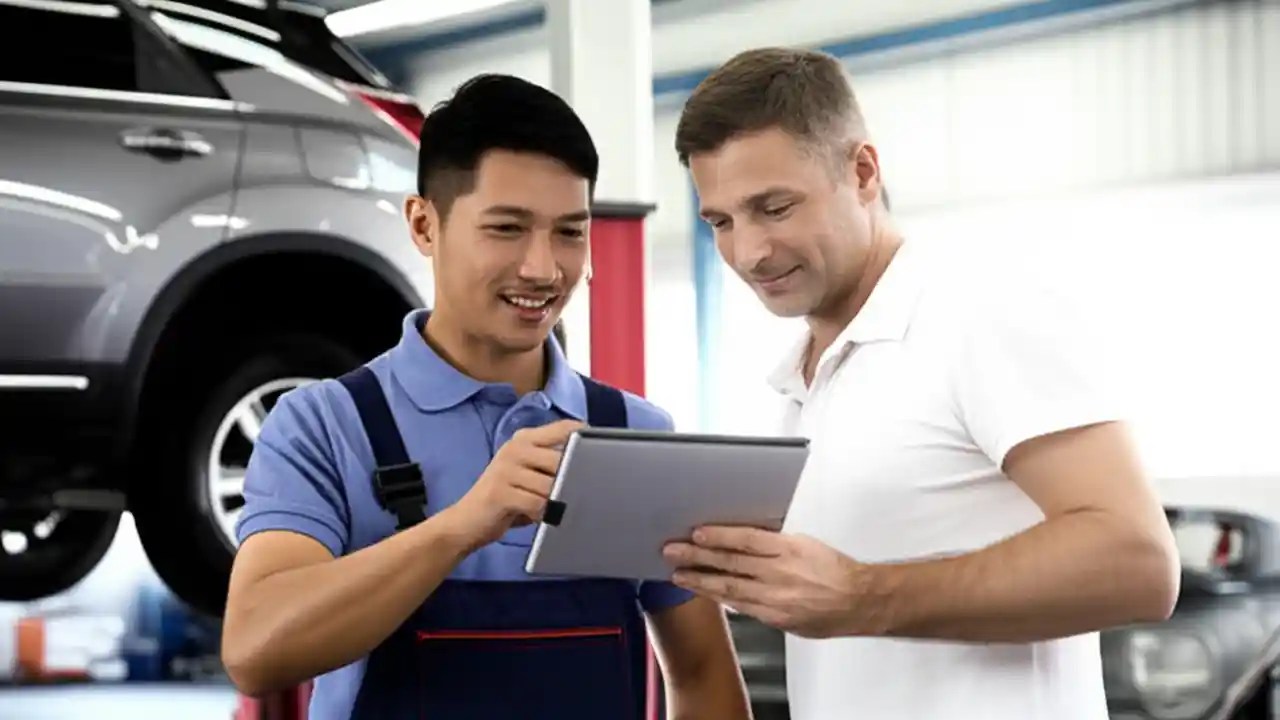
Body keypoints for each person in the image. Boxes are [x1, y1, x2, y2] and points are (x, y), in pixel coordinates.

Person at [663, 47, 1180, 719]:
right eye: (721, 222)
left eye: (775, 207)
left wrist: (863, 596)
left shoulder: (978, 311)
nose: (747, 252)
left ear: (863, 172)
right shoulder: (808, 375)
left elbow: (1138, 561)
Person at [221, 74, 753, 720]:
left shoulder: (632, 434)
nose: (542, 268)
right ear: (424, 224)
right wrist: (463, 525)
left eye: (569, 232)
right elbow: (254, 649)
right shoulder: (324, 426)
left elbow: (701, 678)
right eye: (507, 228)